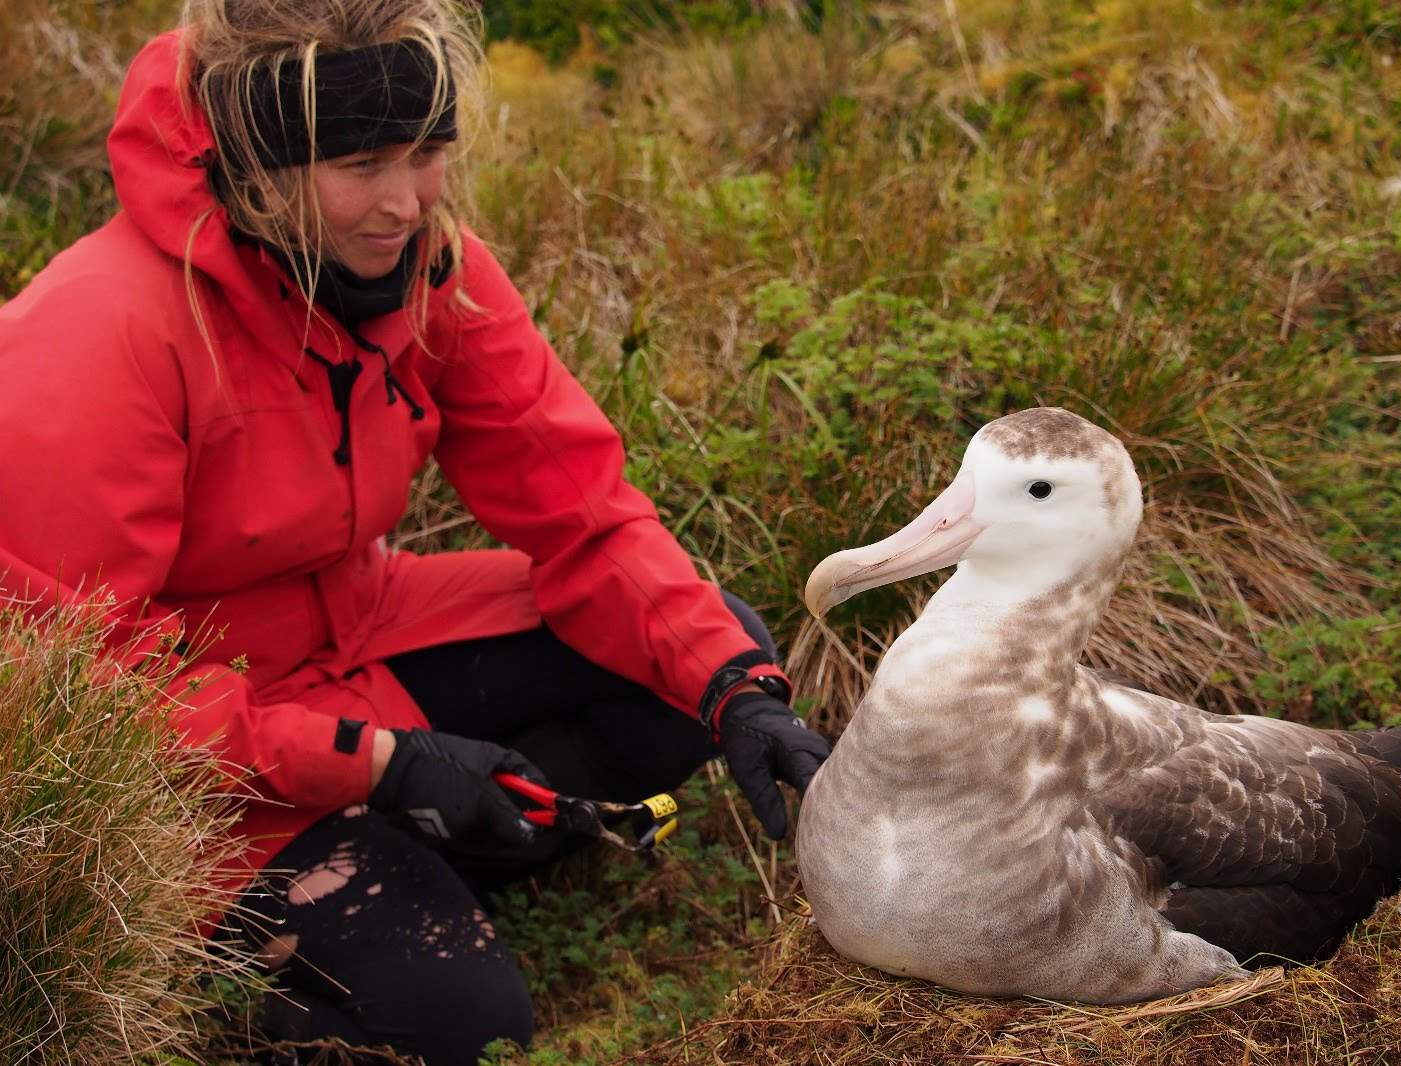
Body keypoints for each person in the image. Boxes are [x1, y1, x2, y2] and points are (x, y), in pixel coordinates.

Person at [0, 0, 830, 1062]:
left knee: (699, 646)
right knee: (457, 1025)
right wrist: (378, 763)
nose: (406, 203)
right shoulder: (101, 331)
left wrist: (734, 688)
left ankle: (403, 851)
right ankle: (177, 955)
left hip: (358, 640)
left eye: (427, 151)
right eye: (360, 164)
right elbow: (83, 691)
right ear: (259, 167)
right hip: (173, 761)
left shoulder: (431, 267)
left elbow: (582, 509)